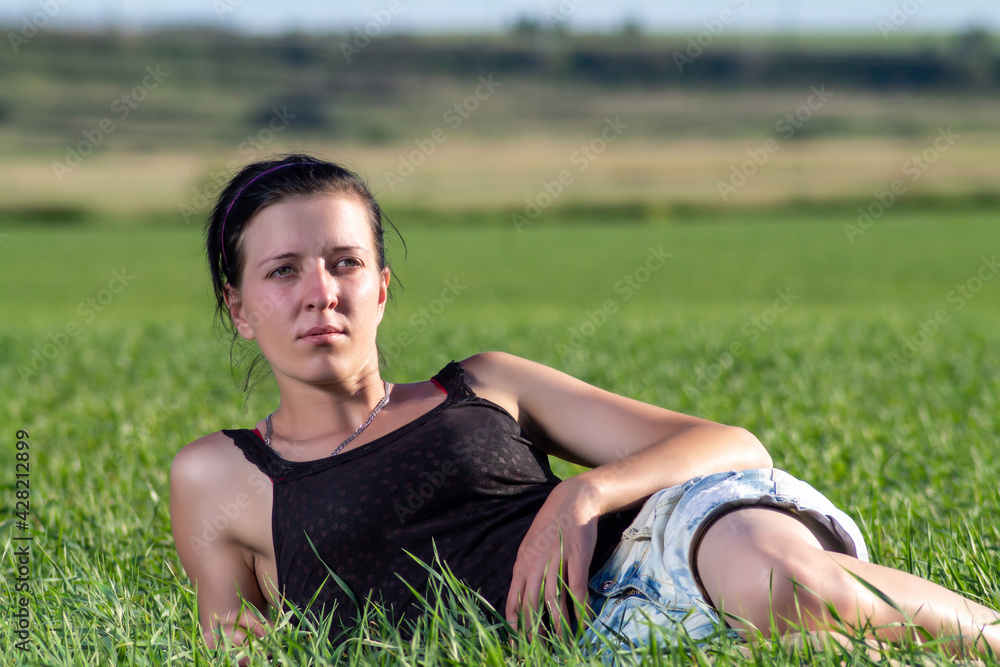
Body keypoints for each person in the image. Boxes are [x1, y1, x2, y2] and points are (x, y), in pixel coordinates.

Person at [169, 154, 1000, 660]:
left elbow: (734, 445)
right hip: (609, 645)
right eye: (283, 271)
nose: (321, 292)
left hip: (668, 547)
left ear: (381, 288)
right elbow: (235, 646)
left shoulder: (482, 384)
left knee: (778, 584)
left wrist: (584, 492)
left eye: (345, 262)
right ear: (238, 307)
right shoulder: (219, 475)